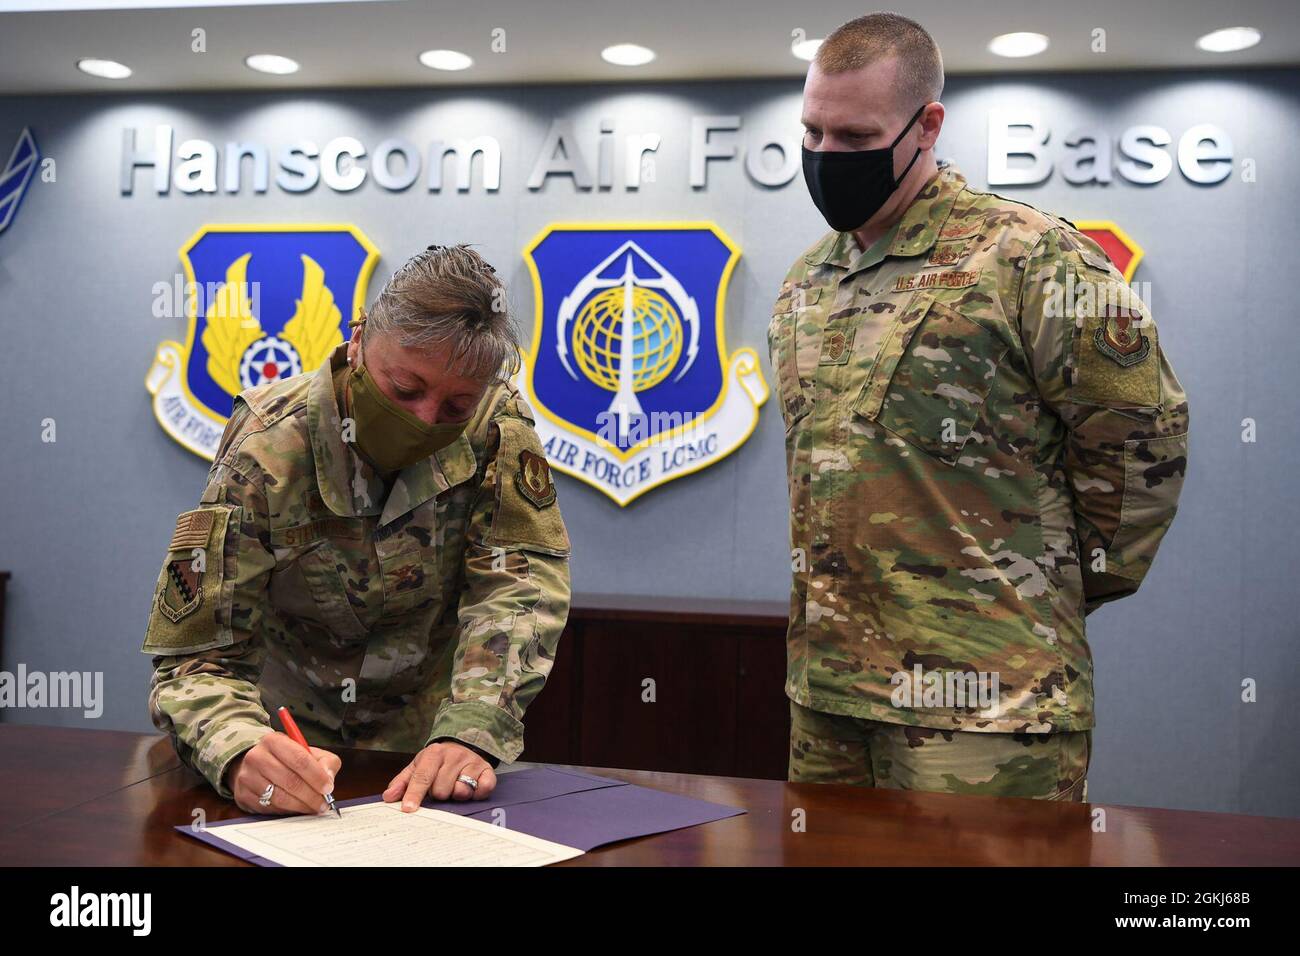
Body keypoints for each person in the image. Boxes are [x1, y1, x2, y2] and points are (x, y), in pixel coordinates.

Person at [768, 13, 1188, 798]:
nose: (826, 158)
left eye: (855, 139)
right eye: (813, 134)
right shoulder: (807, 281)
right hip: (828, 700)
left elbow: (1142, 445)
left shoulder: (1028, 256)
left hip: (989, 706)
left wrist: (1038, 585)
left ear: (926, 126)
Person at [142, 244, 571, 815]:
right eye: (405, 389)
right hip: (286, 750)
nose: (424, 419)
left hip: (430, 756)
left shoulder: (495, 422)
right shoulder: (270, 443)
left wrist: (471, 728)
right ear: (359, 339)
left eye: (453, 408)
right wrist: (239, 749)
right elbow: (197, 655)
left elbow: (516, 586)